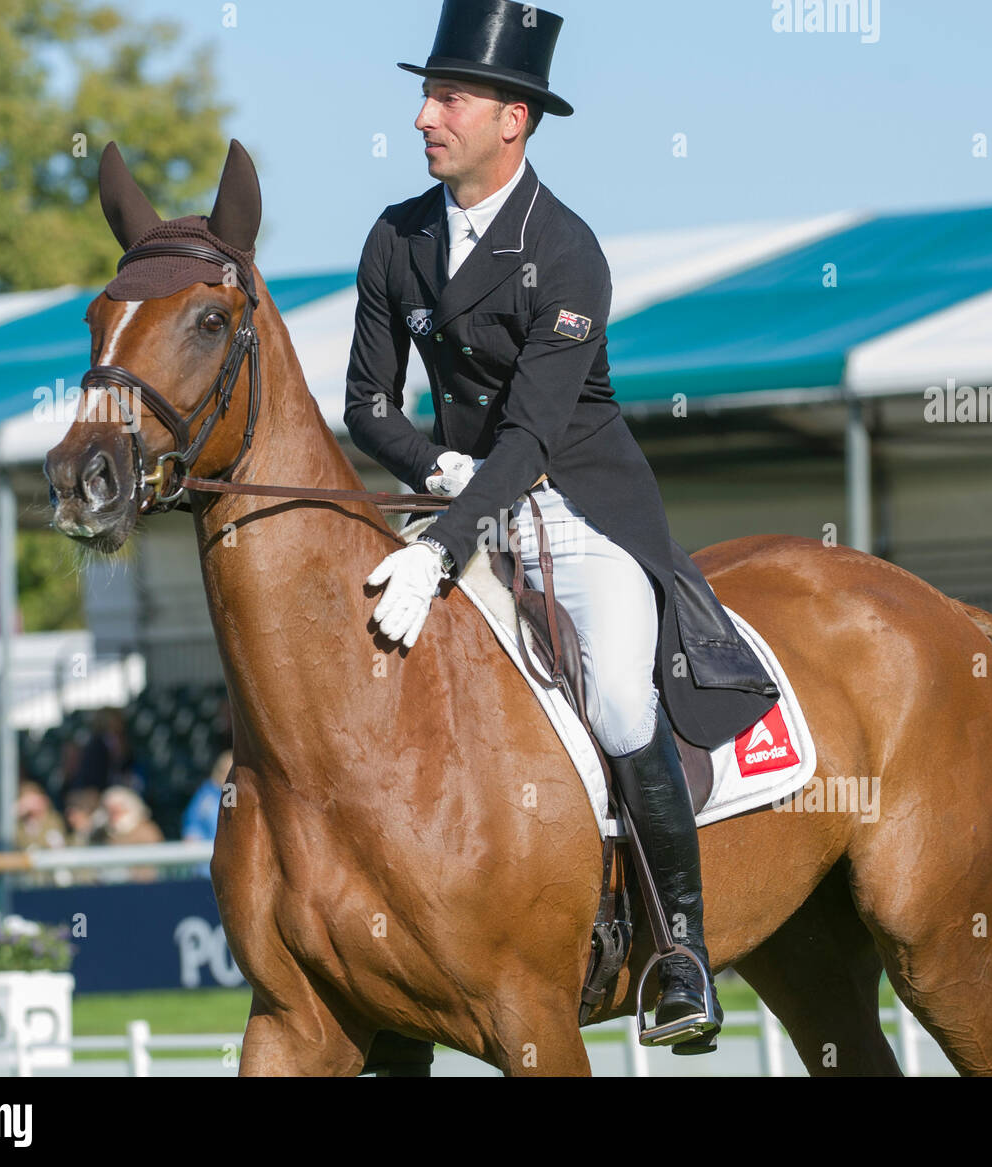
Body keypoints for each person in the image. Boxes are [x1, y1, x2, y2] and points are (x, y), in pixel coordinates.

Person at [343, 0, 778, 1053]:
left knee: (623, 700)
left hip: (580, 514)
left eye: (446, 97)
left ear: (512, 120)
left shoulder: (568, 250)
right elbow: (366, 405)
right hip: (456, 500)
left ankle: (679, 953)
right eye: (425, 93)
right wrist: (436, 474)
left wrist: (443, 540)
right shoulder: (396, 237)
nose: (422, 116)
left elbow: (534, 440)